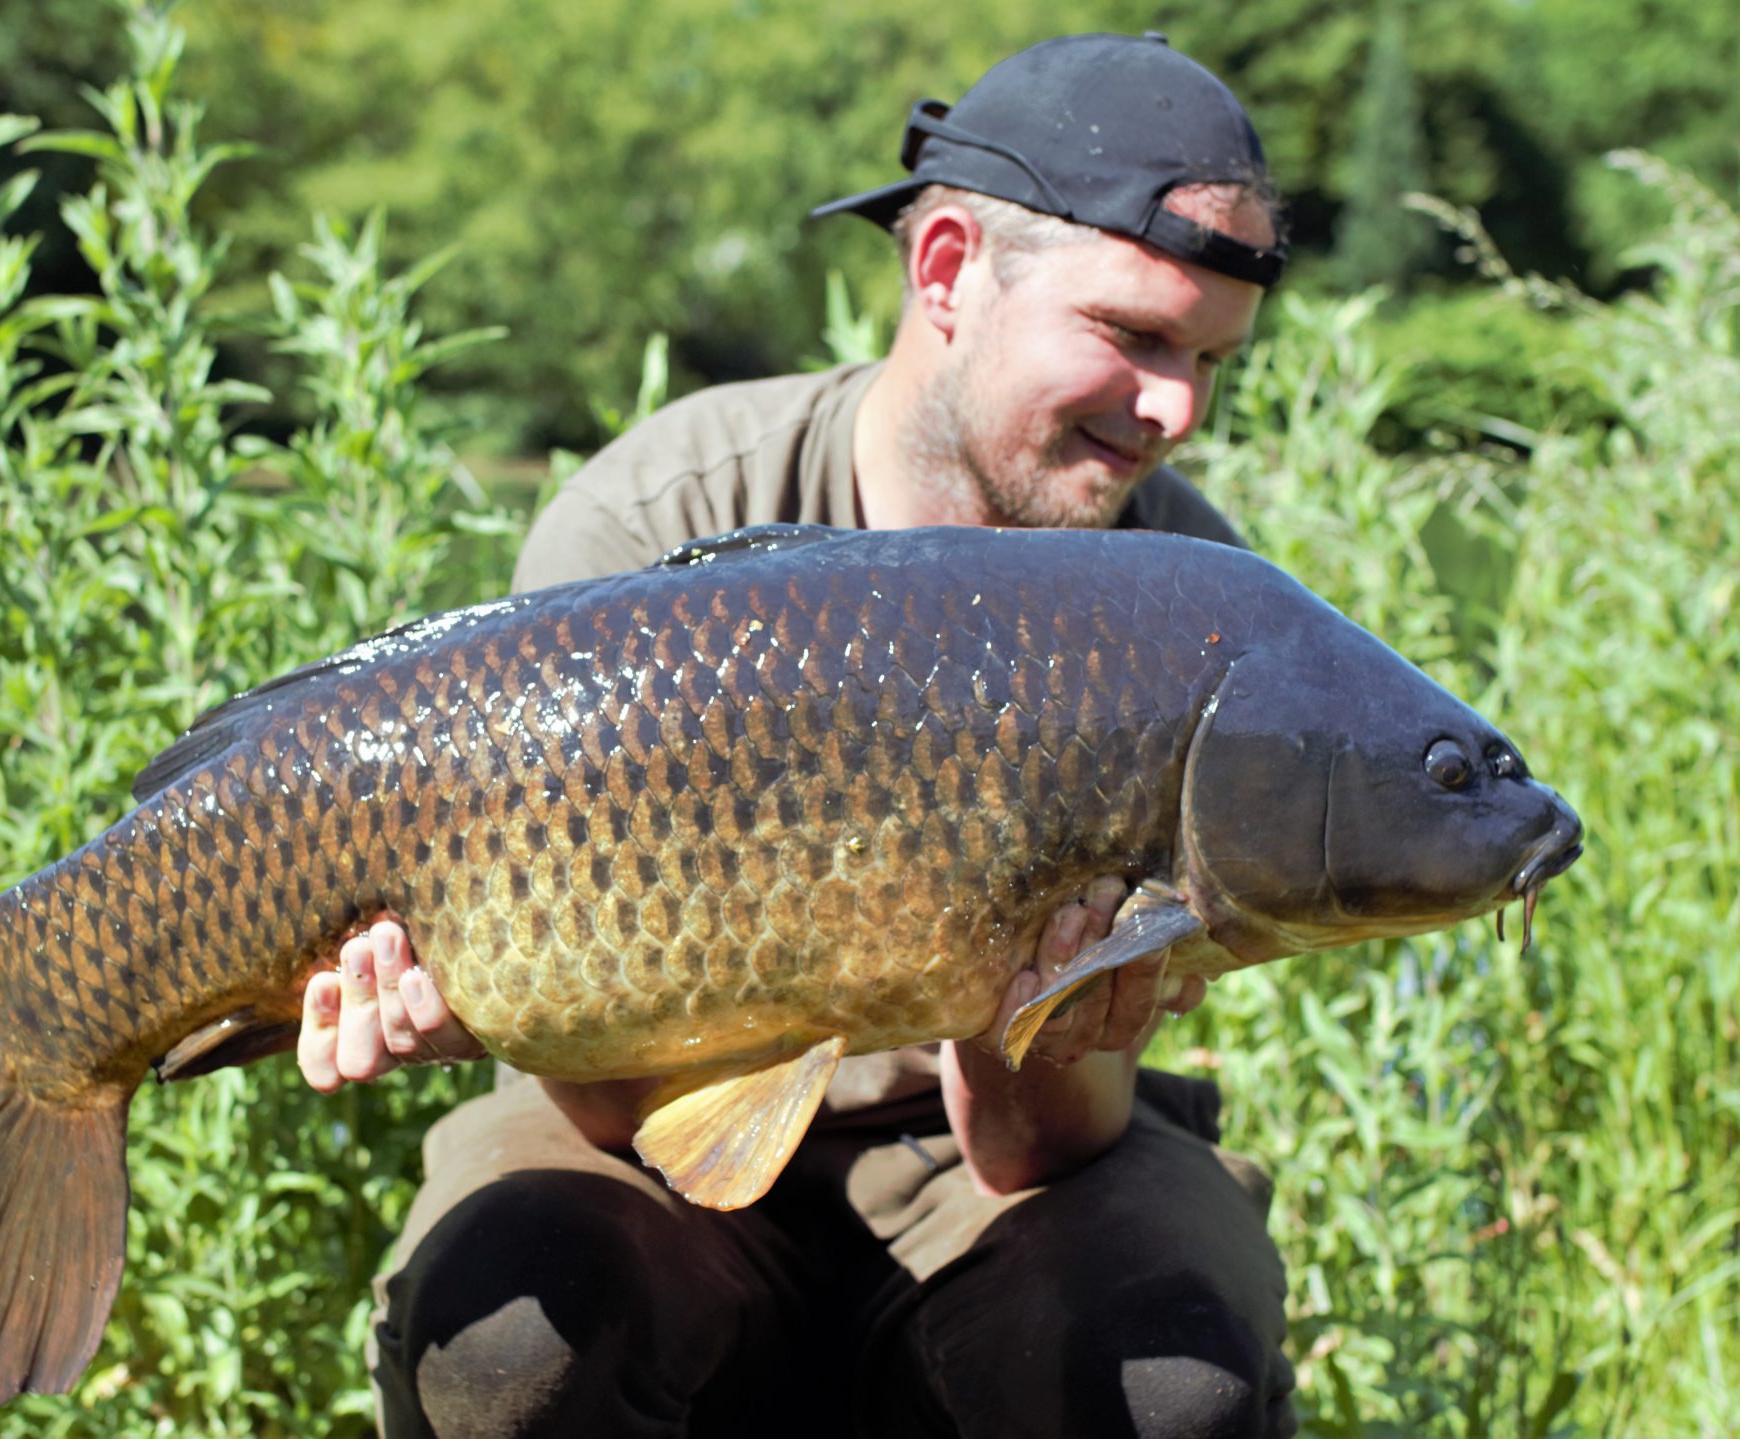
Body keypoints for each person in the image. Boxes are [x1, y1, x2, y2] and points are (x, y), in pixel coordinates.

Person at [299, 32, 1296, 1438]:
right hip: (634, 1124)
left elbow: (1043, 1156)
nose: (1176, 409)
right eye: (1132, 335)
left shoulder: (1180, 599)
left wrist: (1045, 1013)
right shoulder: (661, 516)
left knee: (1170, 1378)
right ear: (945, 268)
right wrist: (487, 995)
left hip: (985, 1166)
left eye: (1209, 359)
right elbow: (616, 1113)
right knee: (516, 1341)